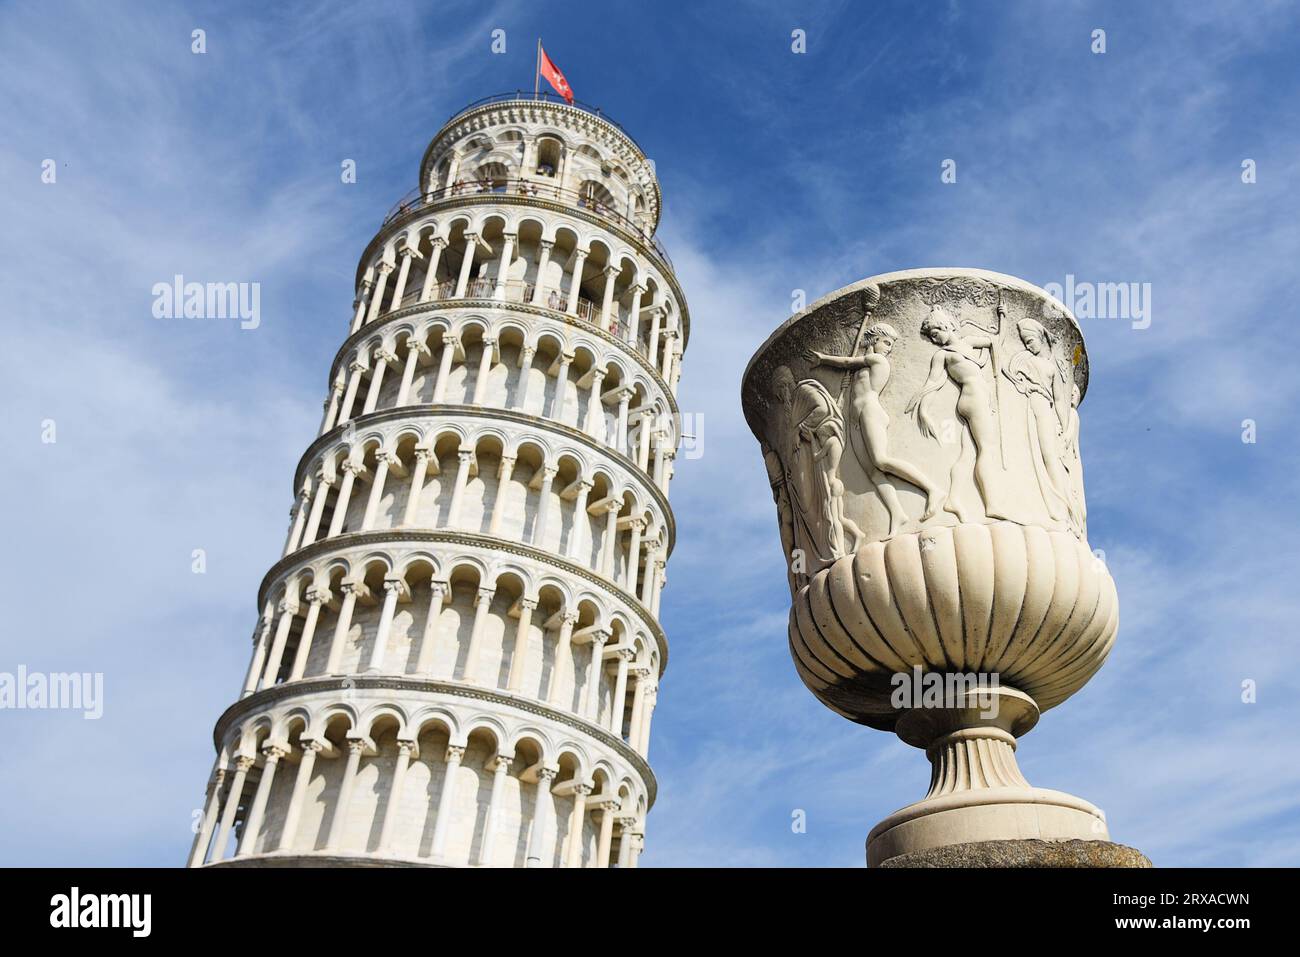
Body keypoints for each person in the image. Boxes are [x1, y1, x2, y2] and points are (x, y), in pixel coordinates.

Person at [807, 322, 943, 533]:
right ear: (874, 339)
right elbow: (853, 376)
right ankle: (898, 513)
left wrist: (822, 359)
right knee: (872, 471)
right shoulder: (862, 367)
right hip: (855, 417)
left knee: (881, 460)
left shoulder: (877, 359)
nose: (888, 348)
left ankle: (931, 489)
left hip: (871, 411)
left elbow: (846, 361)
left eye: (890, 344)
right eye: (886, 342)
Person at [906, 309, 1012, 522]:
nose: (934, 340)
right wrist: (924, 411)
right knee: (987, 449)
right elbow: (932, 384)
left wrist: (1004, 318)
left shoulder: (969, 342)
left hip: (976, 400)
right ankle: (991, 504)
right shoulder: (943, 355)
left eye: (935, 333)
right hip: (973, 400)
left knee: (968, 453)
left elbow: (995, 341)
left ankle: (953, 498)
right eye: (931, 337)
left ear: (945, 325)